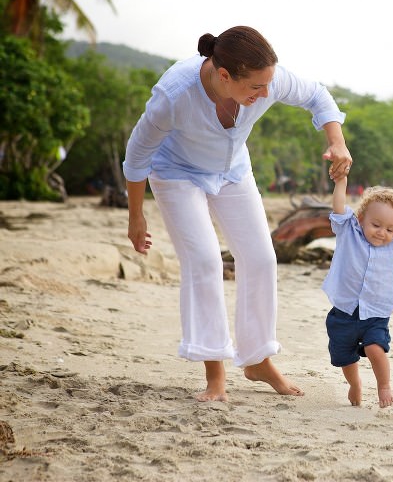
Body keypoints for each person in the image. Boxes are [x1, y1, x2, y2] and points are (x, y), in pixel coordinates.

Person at [123, 25, 353, 402]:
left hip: (232, 170)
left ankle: (257, 360)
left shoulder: (269, 80)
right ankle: (215, 372)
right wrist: (136, 216)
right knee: (205, 262)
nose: (265, 94)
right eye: (256, 88)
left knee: (262, 259)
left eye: (268, 85)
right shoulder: (174, 94)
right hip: (176, 173)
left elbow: (318, 96)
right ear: (224, 76)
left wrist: (336, 141)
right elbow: (136, 157)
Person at [322, 176, 393, 407]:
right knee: (345, 356)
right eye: (376, 225)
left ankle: (384, 386)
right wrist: (341, 181)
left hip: (376, 314)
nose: (382, 233)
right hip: (344, 312)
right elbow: (338, 207)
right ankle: (355, 384)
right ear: (360, 219)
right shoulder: (349, 233)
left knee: (375, 347)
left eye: (390, 229)